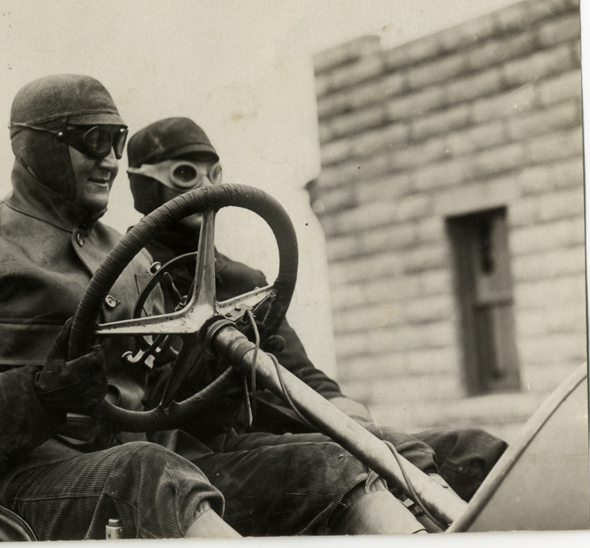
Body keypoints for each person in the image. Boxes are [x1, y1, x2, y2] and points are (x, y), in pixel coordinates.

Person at [0, 75, 431, 541]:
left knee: (324, 463)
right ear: (32, 144)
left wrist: (228, 384)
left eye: (118, 139)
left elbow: (165, 392)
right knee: (149, 474)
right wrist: (34, 396)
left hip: (151, 471)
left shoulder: (132, 261)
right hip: (16, 490)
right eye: (93, 139)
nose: (111, 158)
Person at [125, 116, 509, 511]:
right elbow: (136, 400)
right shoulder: (123, 280)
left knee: (473, 452)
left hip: (268, 435)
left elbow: (298, 370)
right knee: (359, 459)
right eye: (186, 174)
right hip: (193, 456)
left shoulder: (245, 282)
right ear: (145, 185)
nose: (206, 189)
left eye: (214, 174)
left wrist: (347, 413)